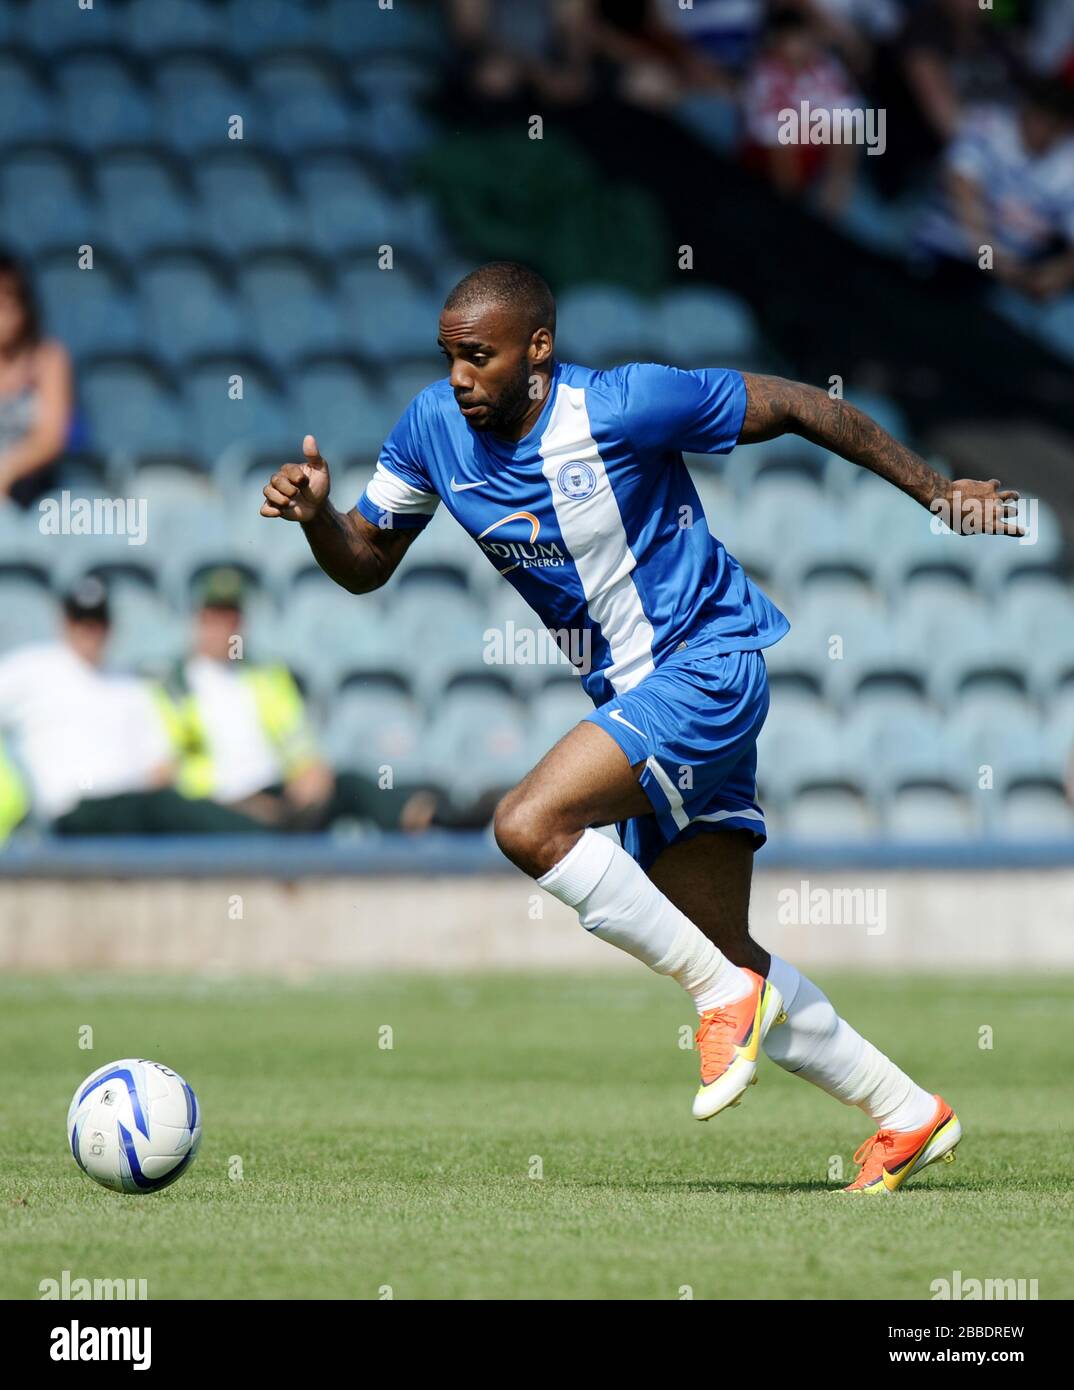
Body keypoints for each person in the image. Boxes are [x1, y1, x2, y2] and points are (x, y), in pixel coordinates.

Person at [261, 261, 1021, 1193]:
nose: (459, 377)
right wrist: (314, 519)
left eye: (479, 357)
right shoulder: (431, 429)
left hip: (707, 668)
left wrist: (936, 492)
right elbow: (368, 558)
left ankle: (719, 998)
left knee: (529, 825)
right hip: (642, 696)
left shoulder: (622, 405)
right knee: (723, 943)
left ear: (537, 349)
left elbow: (798, 405)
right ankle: (905, 1111)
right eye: (449, 357)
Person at [0, 578, 266, 836]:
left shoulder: (130, 686)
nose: (89, 630)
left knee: (175, 806)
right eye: (80, 620)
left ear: (110, 627)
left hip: (133, 809)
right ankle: (268, 839)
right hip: (74, 809)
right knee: (167, 807)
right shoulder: (33, 669)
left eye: (97, 622)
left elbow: (161, 765)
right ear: (64, 623)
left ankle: (268, 836)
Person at [0, 249, 74, 508]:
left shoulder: (48, 358)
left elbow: (51, 437)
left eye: (7, 301)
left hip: (33, 492)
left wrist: (7, 468)